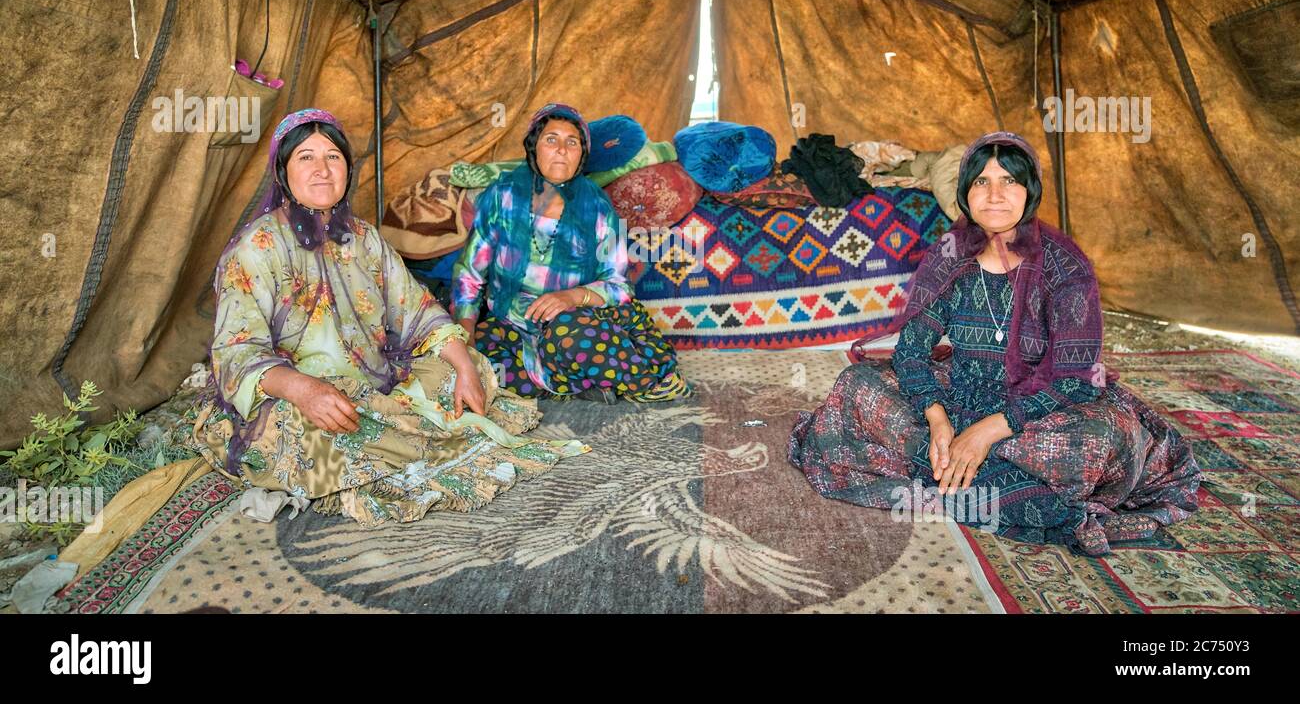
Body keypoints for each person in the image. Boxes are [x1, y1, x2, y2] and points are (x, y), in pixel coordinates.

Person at [788, 131, 1201, 555]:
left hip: (1040, 409)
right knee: (856, 385)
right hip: (961, 392)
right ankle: (1017, 492)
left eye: (1009, 181)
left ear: (1030, 191)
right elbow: (911, 351)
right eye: (981, 182)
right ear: (966, 193)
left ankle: (955, 474)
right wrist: (937, 420)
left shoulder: (1064, 264)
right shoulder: (951, 255)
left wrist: (987, 432)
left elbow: (1076, 376)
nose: (995, 194)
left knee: (1098, 440)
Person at [194, 108, 586, 528]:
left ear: (347, 168)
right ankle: (409, 439)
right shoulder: (255, 248)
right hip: (296, 395)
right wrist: (305, 391)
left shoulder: (362, 238)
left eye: (333, 157)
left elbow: (417, 310)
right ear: (283, 171)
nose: (322, 170)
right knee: (296, 434)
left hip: (376, 379)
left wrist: (464, 365)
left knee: (462, 368)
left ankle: (399, 434)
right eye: (306, 157)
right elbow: (236, 352)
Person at [453, 103, 690, 403]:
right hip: (516, 322)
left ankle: (649, 379)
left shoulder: (598, 207)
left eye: (572, 142)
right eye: (551, 139)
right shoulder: (502, 199)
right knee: (478, 359)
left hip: (583, 319)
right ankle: (586, 382)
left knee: (568, 335)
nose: (561, 149)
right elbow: (470, 275)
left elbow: (620, 285)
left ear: (581, 156)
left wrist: (571, 297)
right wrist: (465, 332)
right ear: (533, 148)